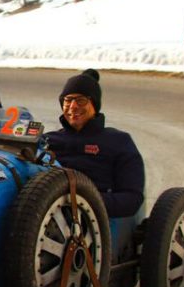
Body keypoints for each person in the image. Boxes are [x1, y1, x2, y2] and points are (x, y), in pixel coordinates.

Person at [44, 69, 145, 218]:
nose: (73, 107)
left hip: (92, 223)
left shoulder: (118, 142)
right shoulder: (48, 140)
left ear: (94, 105)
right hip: (42, 216)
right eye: (68, 100)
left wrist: (80, 202)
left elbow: (131, 199)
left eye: (81, 100)